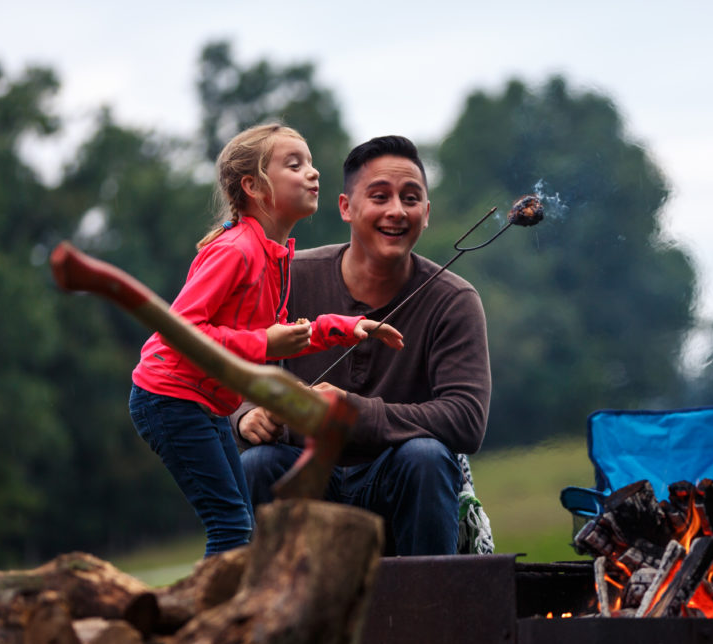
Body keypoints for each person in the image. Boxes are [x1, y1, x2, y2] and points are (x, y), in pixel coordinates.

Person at [129, 123, 404, 557]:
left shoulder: (273, 254)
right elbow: (180, 332)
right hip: (169, 398)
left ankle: (226, 619)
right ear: (254, 186)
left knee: (243, 526)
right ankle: (212, 624)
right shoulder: (234, 250)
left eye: (311, 163)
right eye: (295, 165)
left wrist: (347, 328)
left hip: (202, 403)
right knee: (232, 526)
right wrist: (264, 345)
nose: (313, 173)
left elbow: (282, 334)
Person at [234, 135, 491, 556]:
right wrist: (244, 415)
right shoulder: (288, 277)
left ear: (426, 214)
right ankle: (274, 615)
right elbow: (228, 361)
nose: (396, 211)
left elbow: (465, 420)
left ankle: (429, 613)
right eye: (379, 196)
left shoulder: (454, 300)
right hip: (307, 476)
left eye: (411, 198)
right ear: (346, 208)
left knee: (426, 457)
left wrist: (352, 413)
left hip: (400, 479)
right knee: (257, 464)